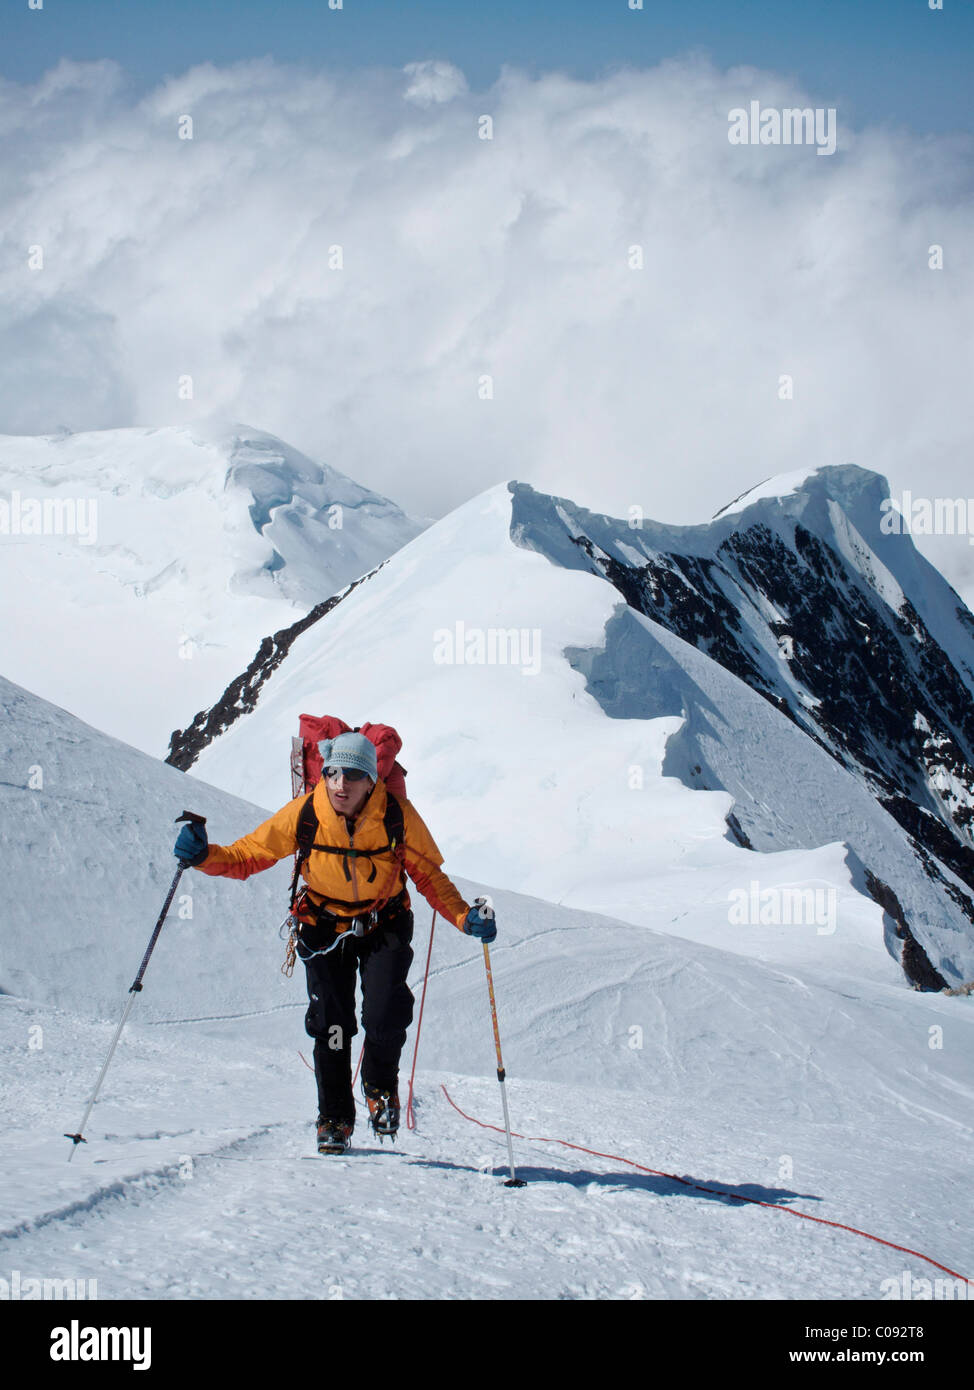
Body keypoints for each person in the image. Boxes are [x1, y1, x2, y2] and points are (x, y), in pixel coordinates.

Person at [173, 730, 496, 1153]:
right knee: (333, 1027)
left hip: (385, 922)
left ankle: (380, 1090)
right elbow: (249, 855)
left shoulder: (395, 815)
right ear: (323, 775)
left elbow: (428, 875)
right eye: (332, 774)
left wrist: (462, 917)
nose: (341, 784)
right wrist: (202, 856)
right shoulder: (306, 812)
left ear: (371, 781)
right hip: (323, 928)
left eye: (352, 775)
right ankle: (335, 1118)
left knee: (384, 1016)